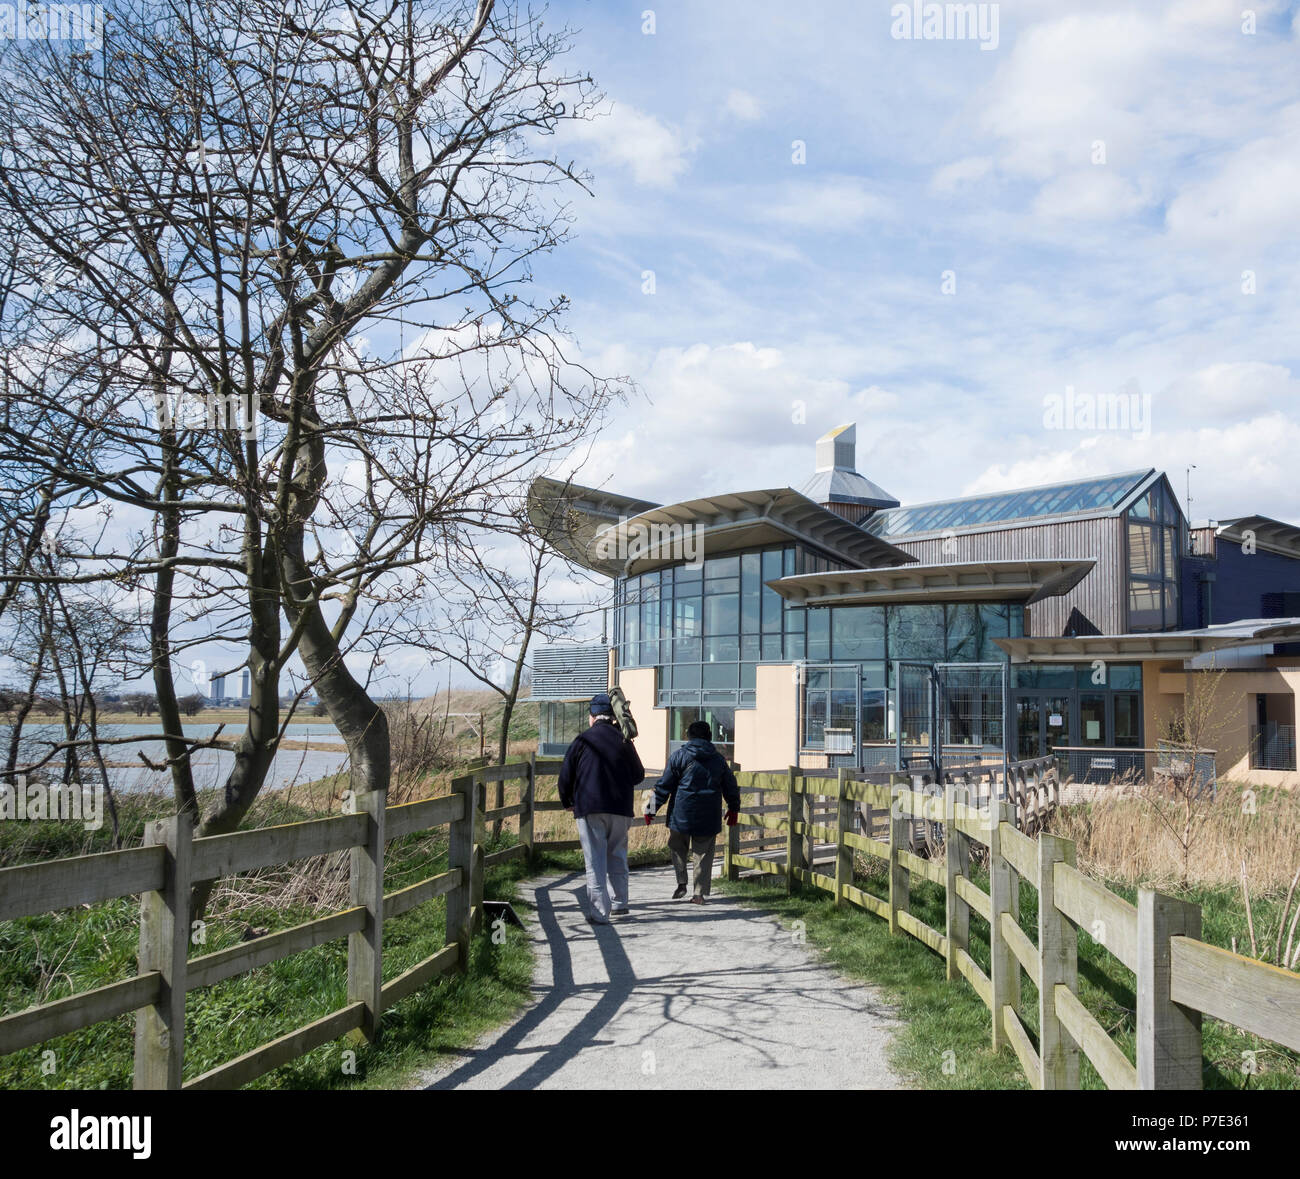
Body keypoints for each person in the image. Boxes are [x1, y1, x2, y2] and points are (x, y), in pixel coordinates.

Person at [557, 692, 645, 924]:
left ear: (593, 716)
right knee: (617, 855)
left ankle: (599, 912)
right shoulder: (625, 741)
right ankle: (620, 904)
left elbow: (565, 775)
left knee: (595, 860)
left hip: (590, 807)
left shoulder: (583, 740)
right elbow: (639, 775)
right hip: (621, 808)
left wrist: (567, 801)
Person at [646, 720, 740, 904]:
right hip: (709, 814)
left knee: (677, 848)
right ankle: (699, 894)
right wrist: (734, 808)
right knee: (703, 854)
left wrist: (650, 809)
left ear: (689, 736)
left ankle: (682, 883)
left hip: (681, 813)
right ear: (709, 737)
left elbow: (664, 786)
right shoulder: (719, 760)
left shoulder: (678, 756)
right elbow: (731, 787)